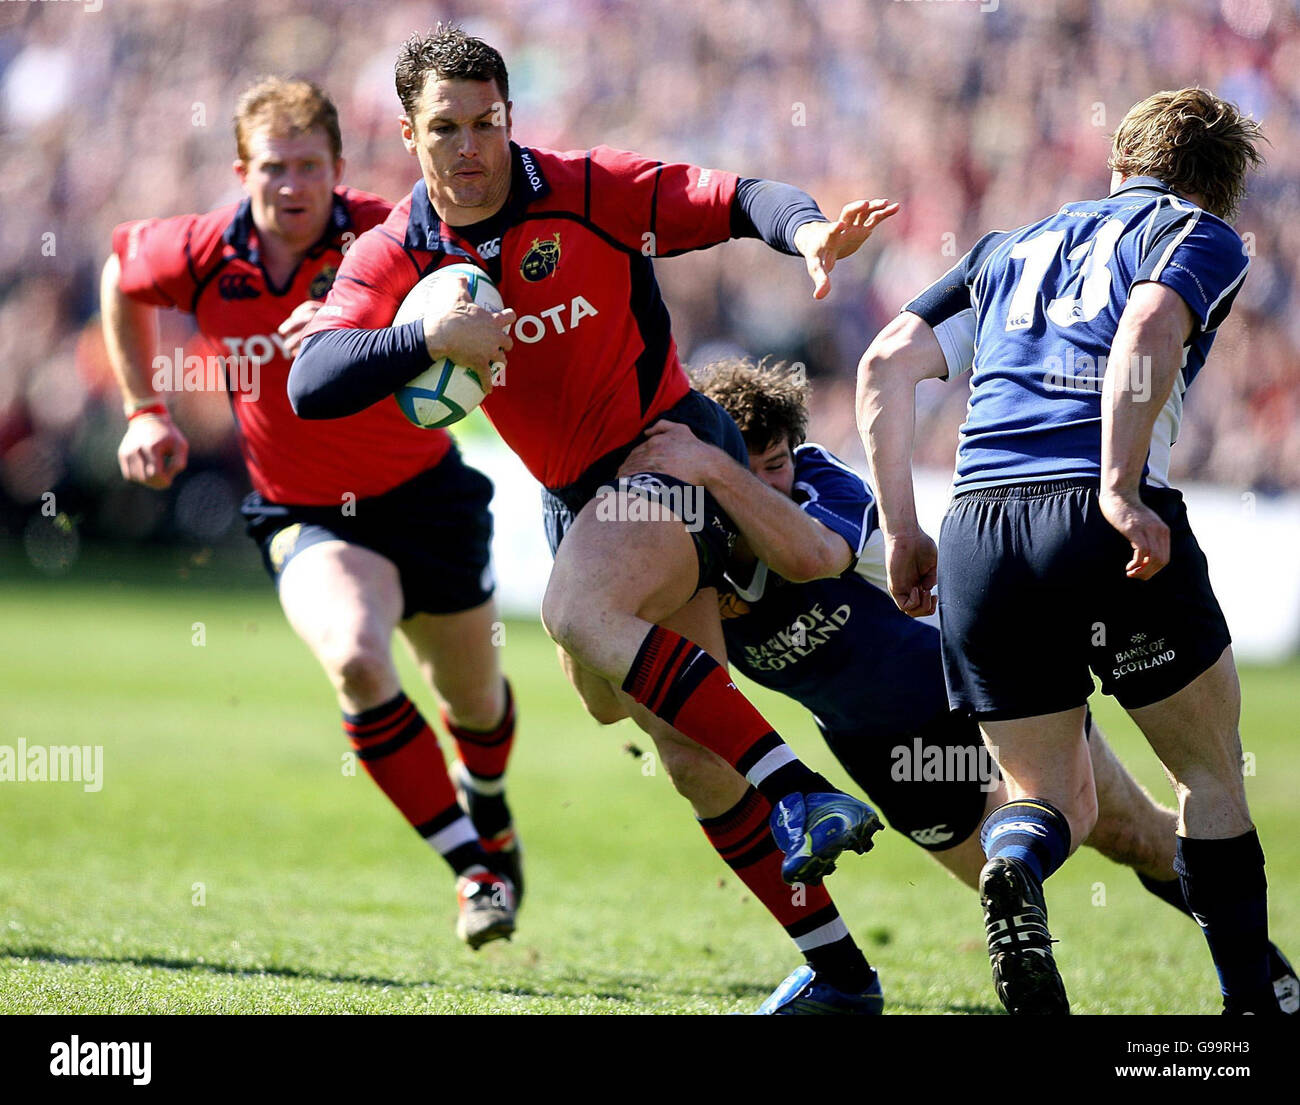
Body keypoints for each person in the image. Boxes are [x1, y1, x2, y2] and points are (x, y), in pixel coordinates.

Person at [289, 26, 900, 903]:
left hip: (671, 453)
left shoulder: (583, 189)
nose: (470, 146)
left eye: (486, 122)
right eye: (446, 127)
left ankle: (800, 791)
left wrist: (804, 234)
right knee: (674, 744)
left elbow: (736, 197)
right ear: (408, 136)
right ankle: (841, 977)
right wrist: (427, 336)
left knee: (575, 607)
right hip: (573, 495)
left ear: (509, 116)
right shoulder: (398, 252)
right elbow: (313, 380)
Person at [618, 358, 1297, 1014]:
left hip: (975, 685)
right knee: (1004, 887)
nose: (771, 483)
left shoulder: (823, 488)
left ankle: (1264, 974)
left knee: (1133, 835)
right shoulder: (693, 547)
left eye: (778, 463)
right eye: (750, 469)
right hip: (877, 748)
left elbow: (812, 555)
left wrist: (717, 469)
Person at [855, 88, 1280, 1013]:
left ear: (1119, 166)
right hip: (1096, 519)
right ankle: (1255, 1007)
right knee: (1207, 774)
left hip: (976, 530)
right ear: (1224, 188)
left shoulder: (1010, 246)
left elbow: (887, 358)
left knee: (1052, 802)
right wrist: (1119, 486)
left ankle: (1012, 868)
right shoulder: (1198, 234)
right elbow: (1147, 325)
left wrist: (901, 526)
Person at [101, 77, 521, 950]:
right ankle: (475, 870)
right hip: (304, 510)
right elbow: (119, 272)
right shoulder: (202, 248)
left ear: (339, 167)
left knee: (475, 706)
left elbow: (467, 304)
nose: (292, 186)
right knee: (361, 661)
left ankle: (491, 809)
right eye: (273, 167)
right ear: (241, 170)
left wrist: (345, 331)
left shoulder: (388, 231)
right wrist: (146, 407)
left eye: (310, 166)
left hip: (428, 496)